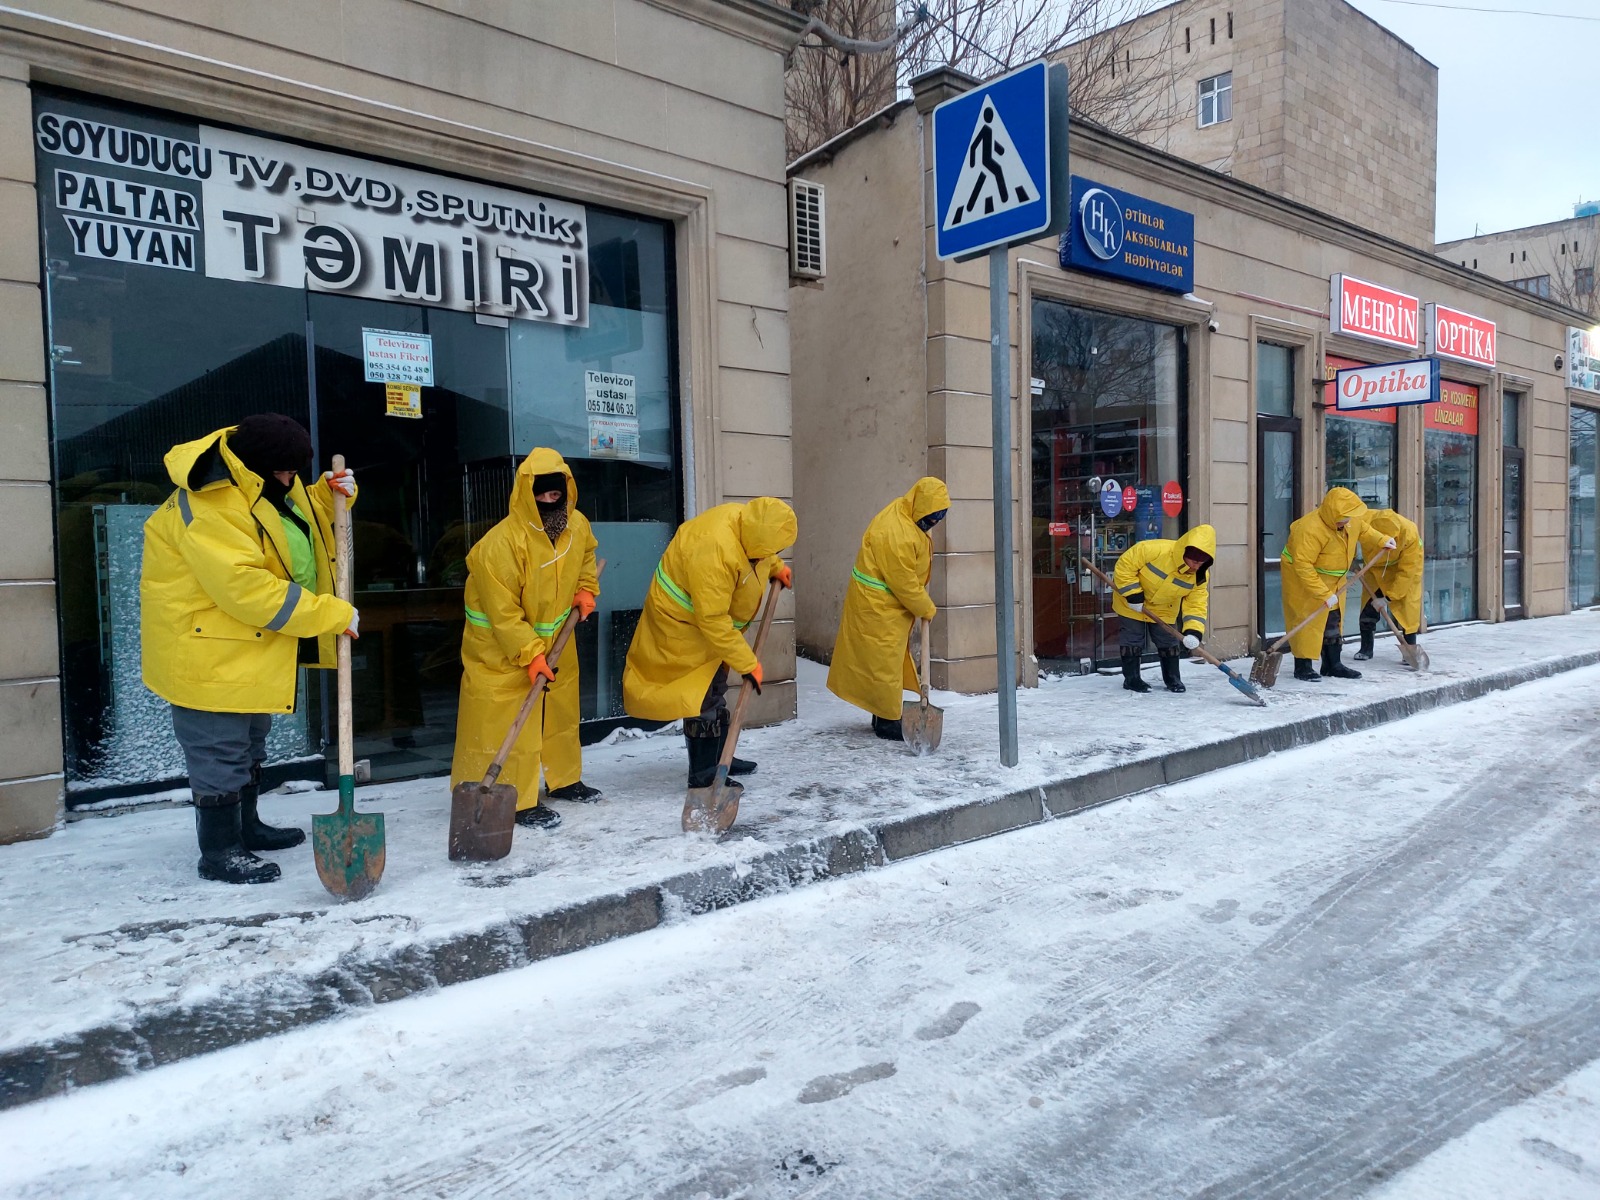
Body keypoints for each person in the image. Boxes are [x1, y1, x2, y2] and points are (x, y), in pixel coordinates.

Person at [141, 415, 358, 885]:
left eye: (296, 473)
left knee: (249, 742)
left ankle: (247, 827)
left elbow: (290, 527)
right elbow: (244, 587)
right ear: (256, 464)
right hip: (209, 650)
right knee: (218, 750)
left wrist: (328, 494)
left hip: (248, 648)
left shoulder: (267, 483)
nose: (290, 481)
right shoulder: (210, 502)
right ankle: (219, 851)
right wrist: (331, 614)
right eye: (284, 472)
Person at [449, 449, 601, 831]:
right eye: (543, 496)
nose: (552, 502)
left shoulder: (576, 525)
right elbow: (503, 614)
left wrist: (585, 590)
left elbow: (586, 557)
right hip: (500, 649)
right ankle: (513, 796)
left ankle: (564, 779)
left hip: (556, 643)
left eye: (557, 495)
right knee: (505, 720)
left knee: (559, 713)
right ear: (527, 494)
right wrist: (530, 653)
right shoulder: (499, 546)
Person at [623, 497, 797, 797]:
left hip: (707, 623)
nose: (770, 556)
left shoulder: (751, 527)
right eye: (768, 553)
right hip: (681, 624)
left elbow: (760, 553)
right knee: (700, 695)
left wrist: (775, 566)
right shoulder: (714, 550)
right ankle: (703, 776)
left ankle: (720, 758)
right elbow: (714, 620)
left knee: (715, 687)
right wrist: (747, 662)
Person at [826, 477, 950, 739]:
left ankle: (882, 712)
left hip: (884, 602)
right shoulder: (896, 532)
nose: (932, 524)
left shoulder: (906, 513)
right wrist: (925, 606)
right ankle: (887, 721)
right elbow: (902, 581)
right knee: (884, 663)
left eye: (937, 518)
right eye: (930, 519)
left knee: (885, 662)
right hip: (878, 605)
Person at [1110, 525, 1216, 694]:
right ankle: (1132, 679)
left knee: (1168, 642)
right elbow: (1125, 565)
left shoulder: (1200, 575)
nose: (1196, 566)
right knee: (1132, 639)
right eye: (1194, 561)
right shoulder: (1154, 550)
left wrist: (1194, 631)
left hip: (1165, 607)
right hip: (1132, 602)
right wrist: (1133, 593)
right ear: (1185, 553)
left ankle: (1173, 679)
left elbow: (1196, 602)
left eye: (1202, 563)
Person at [1281, 486, 1369, 681]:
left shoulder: (1347, 523)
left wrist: (1384, 540)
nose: (1348, 521)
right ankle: (1303, 667)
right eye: (1344, 516)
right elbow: (1302, 565)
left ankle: (1332, 664)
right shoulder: (1309, 529)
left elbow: (1366, 530)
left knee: (1334, 619)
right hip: (1303, 579)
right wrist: (1322, 592)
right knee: (1307, 620)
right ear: (1333, 513)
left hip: (1335, 580)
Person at [1354, 508, 1422, 660]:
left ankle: (1409, 652)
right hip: (1373, 568)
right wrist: (1351, 557)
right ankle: (1366, 649)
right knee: (1368, 607)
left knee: (1407, 611)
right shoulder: (1363, 520)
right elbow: (1348, 535)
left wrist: (1387, 599)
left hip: (1402, 568)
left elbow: (1407, 572)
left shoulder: (1410, 533)